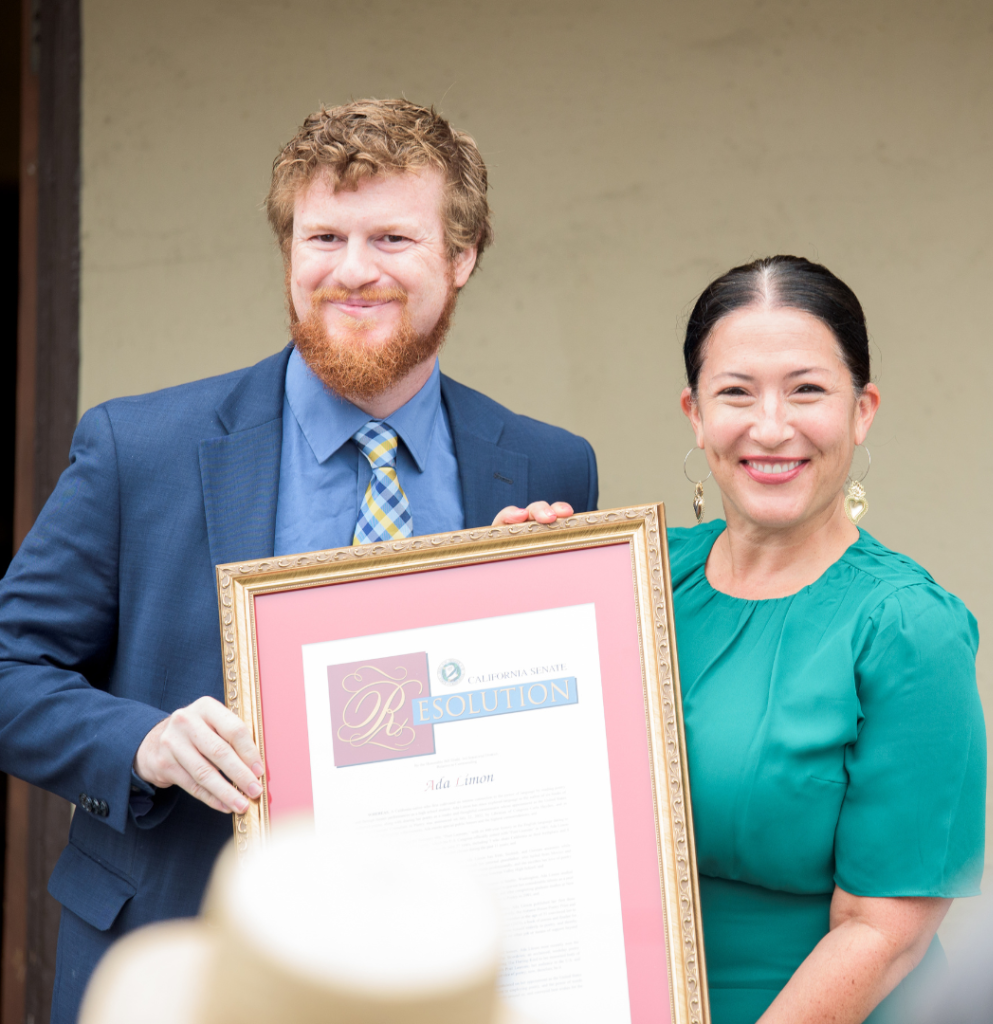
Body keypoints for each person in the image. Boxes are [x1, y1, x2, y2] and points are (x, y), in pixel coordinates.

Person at [0, 99, 595, 1022]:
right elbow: (10, 669)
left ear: (462, 256)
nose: (352, 271)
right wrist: (141, 743)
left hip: (437, 972)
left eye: (392, 238)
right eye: (324, 237)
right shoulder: (138, 449)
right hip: (184, 957)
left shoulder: (548, 467)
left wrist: (554, 604)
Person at [669, 255, 985, 1024]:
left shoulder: (908, 627)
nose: (771, 427)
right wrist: (525, 578)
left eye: (806, 390)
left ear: (862, 410)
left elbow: (883, 933)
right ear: (695, 415)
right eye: (736, 393)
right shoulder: (638, 577)